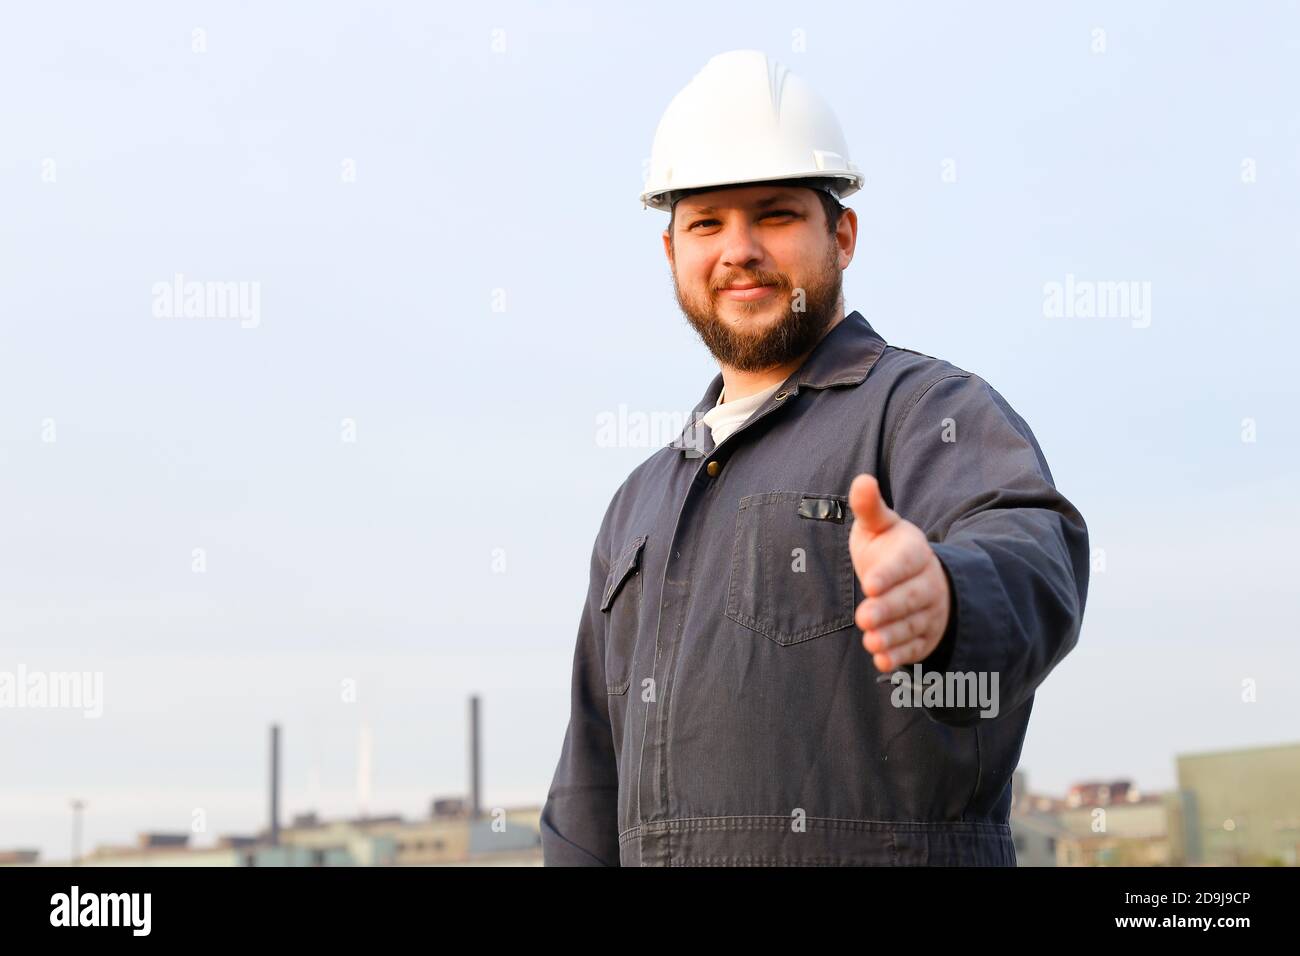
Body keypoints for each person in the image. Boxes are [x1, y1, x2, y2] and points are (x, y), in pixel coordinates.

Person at [541, 50, 1090, 866]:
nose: (740, 250)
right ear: (671, 254)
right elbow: (588, 785)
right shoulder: (638, 505)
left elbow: (1036, 559)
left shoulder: (926, 412)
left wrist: (947, 596)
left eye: (774, 215)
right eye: (706, 223)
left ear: (842, 234)